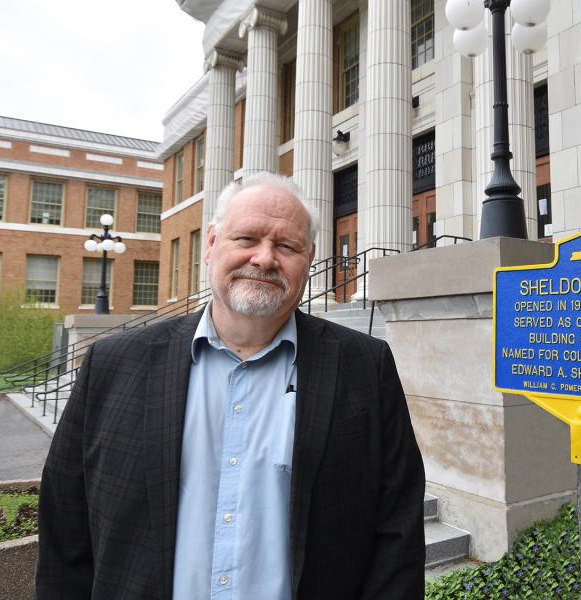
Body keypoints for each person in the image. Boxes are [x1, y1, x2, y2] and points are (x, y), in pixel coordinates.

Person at [36, 173, 426, 599]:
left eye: (286, 246)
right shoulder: (113, 366)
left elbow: (397, 533)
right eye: (247, 239)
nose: (264, 259)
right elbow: (65, 530)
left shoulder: (365, 366)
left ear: (309, 259)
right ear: (211, 244)